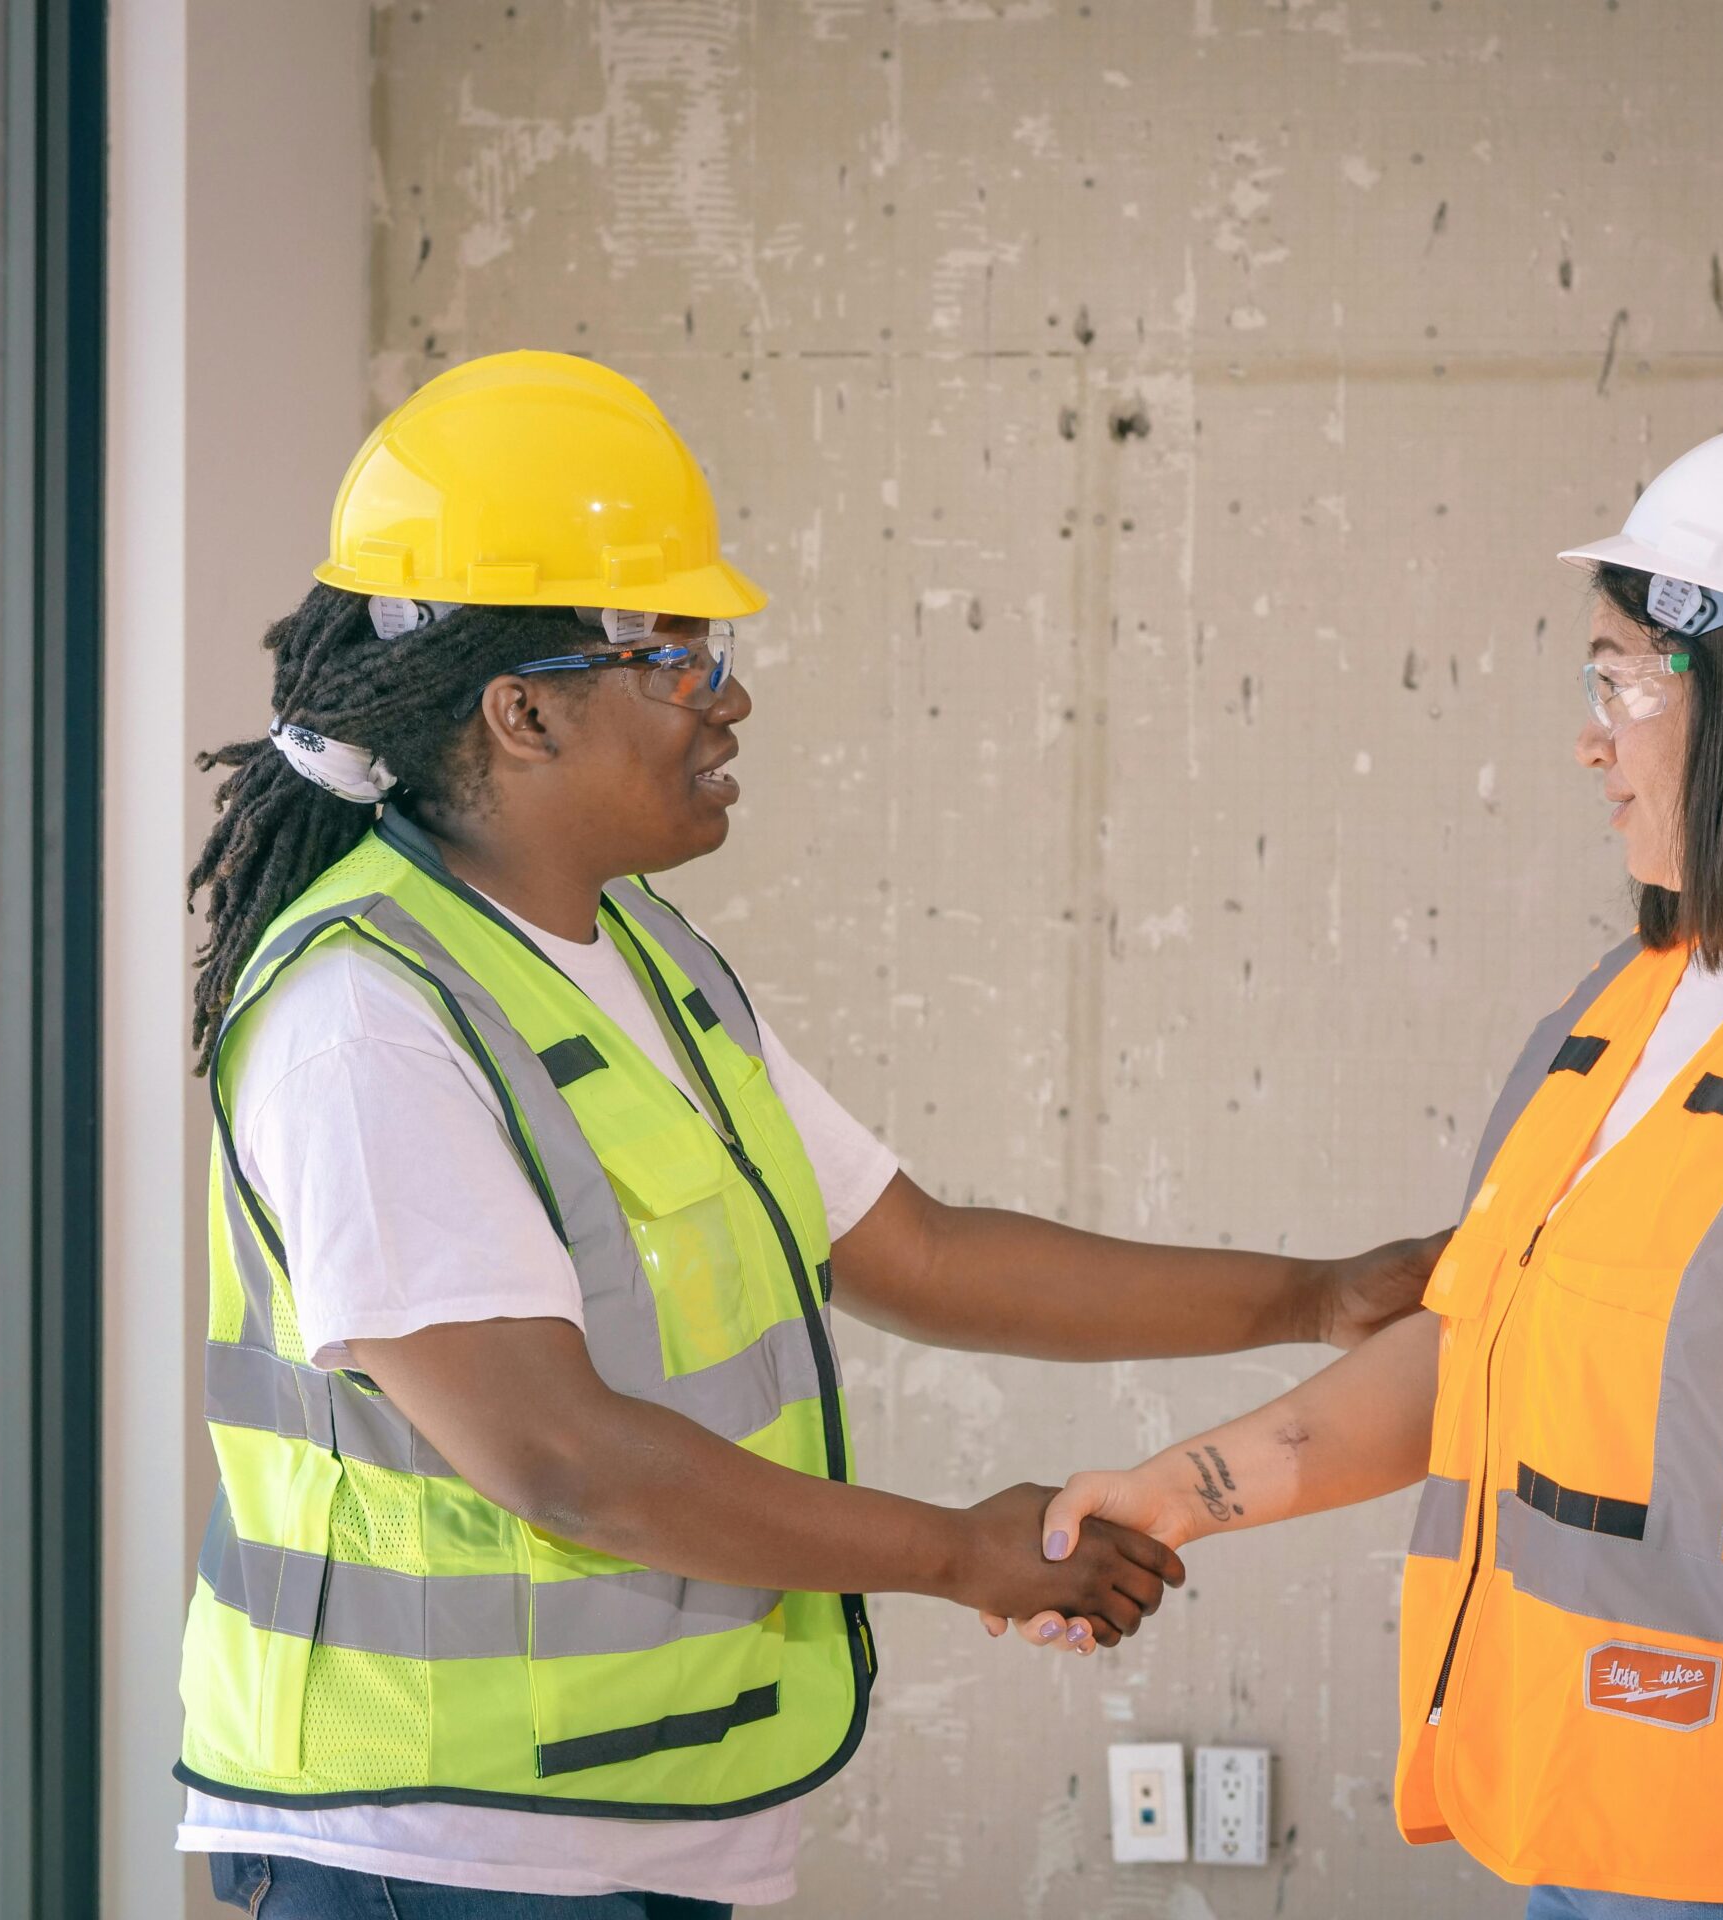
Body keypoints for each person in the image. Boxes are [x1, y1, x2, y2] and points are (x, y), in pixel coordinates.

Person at [175, 350, 1445, 1918]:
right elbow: (558, 1459)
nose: (733, 696)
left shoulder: (641, 961)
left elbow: (919, 1253)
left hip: (648, 1811)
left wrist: (1319, 1296)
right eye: (678, 658)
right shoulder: (368, 1018)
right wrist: (951, 1552)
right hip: (448, 1849)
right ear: (520, 714)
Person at [1021, 407, 1723, 1918]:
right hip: (1594, 1820)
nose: (1590, 734)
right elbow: (1475, 1351)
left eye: (1619, 682)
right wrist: (1182, 1492)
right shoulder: (1642, 998)